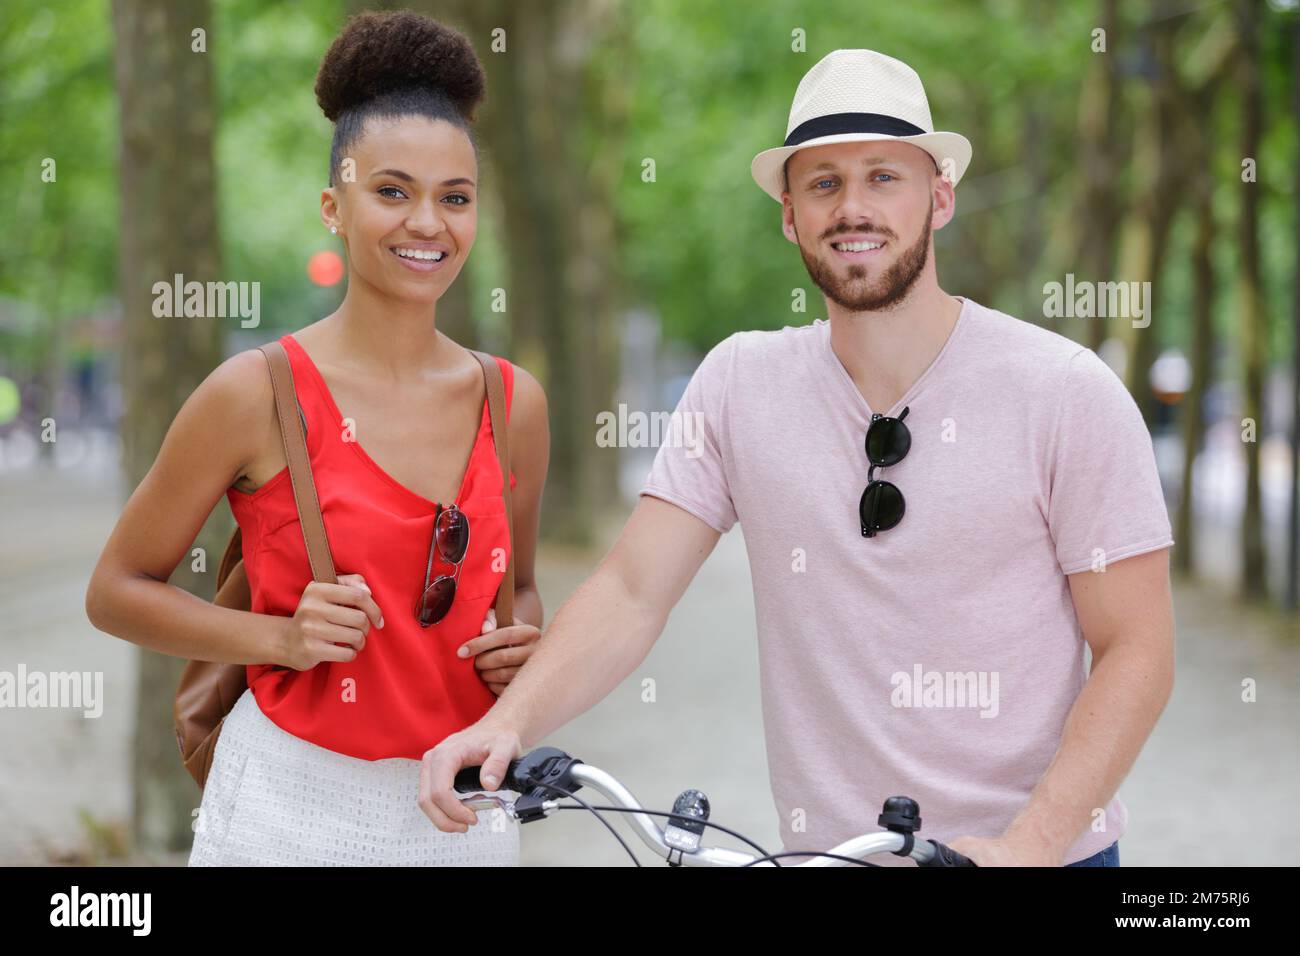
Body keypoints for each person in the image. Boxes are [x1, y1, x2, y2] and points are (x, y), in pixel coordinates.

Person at [419, 49, 1175, 867]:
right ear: (789, 214)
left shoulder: (1065, 392)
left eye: (884, 176)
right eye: (823, 183)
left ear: (941, 197)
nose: (854, 207)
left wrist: (1027, 846)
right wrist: (506, 725)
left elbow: (1138, 647)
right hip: (824, 856)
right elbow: (634, 591)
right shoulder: (741, 382)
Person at [85, 10, 549, 866]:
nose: (427, 223)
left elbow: (516, 591)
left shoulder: (511, 401)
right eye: (392, 191)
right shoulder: (252, 393)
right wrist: (279, 639)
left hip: (466, 810)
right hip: (288, 810)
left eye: (455, 197)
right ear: (335, 207)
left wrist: (521, 648)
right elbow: (114, 590)